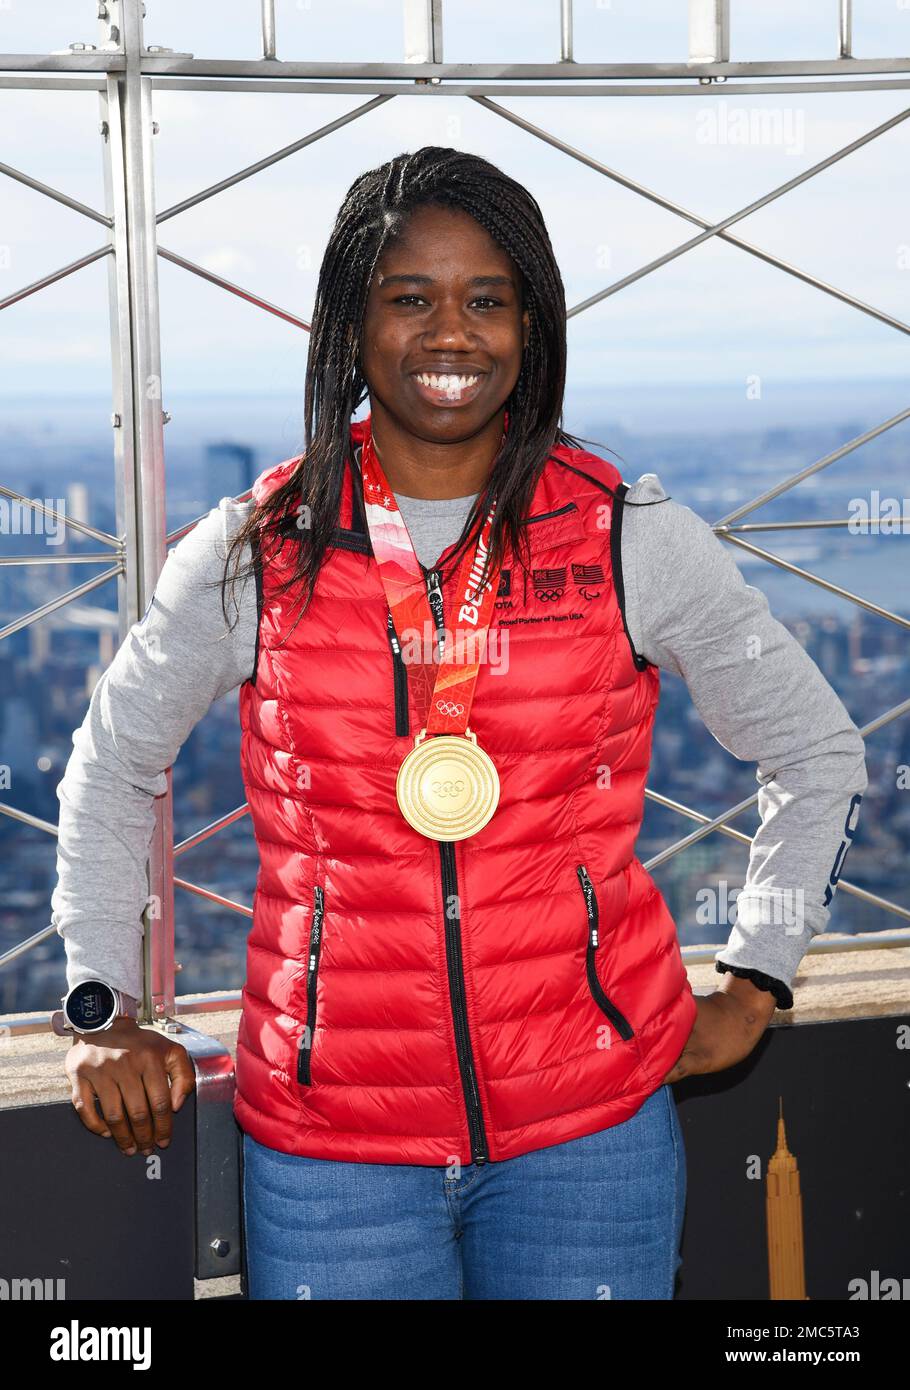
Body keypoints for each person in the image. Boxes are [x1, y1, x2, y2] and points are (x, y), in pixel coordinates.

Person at [51, 146, 867, 1301]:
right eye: (409, 300)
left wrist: (758, 974)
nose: (451, 335)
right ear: (349, 326)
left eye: (487, 300)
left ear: (531, 327)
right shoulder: (256, 550)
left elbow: (818, 750)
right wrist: (99, 997)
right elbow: (109, 767)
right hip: (333, 1148)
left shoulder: (625, 533)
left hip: (589, 1134)